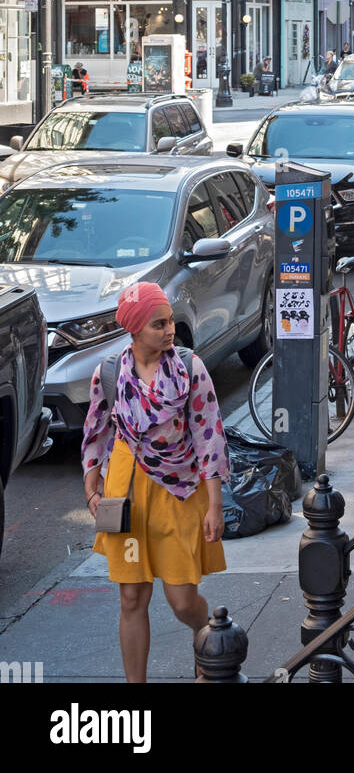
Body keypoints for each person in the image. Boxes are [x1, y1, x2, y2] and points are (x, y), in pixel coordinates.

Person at [82, 282, 229, 684]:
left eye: (169, 322)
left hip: (179, 490)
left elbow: (209, 436)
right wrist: (92, 489)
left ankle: (212, 641)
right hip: (126, 491)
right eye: (158, 324)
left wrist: (214, 504)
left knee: (182, 600)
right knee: (131, 597)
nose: (169, 331)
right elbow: (95, 431)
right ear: (134, 329)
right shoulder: (109, 374)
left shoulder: (189, 367)